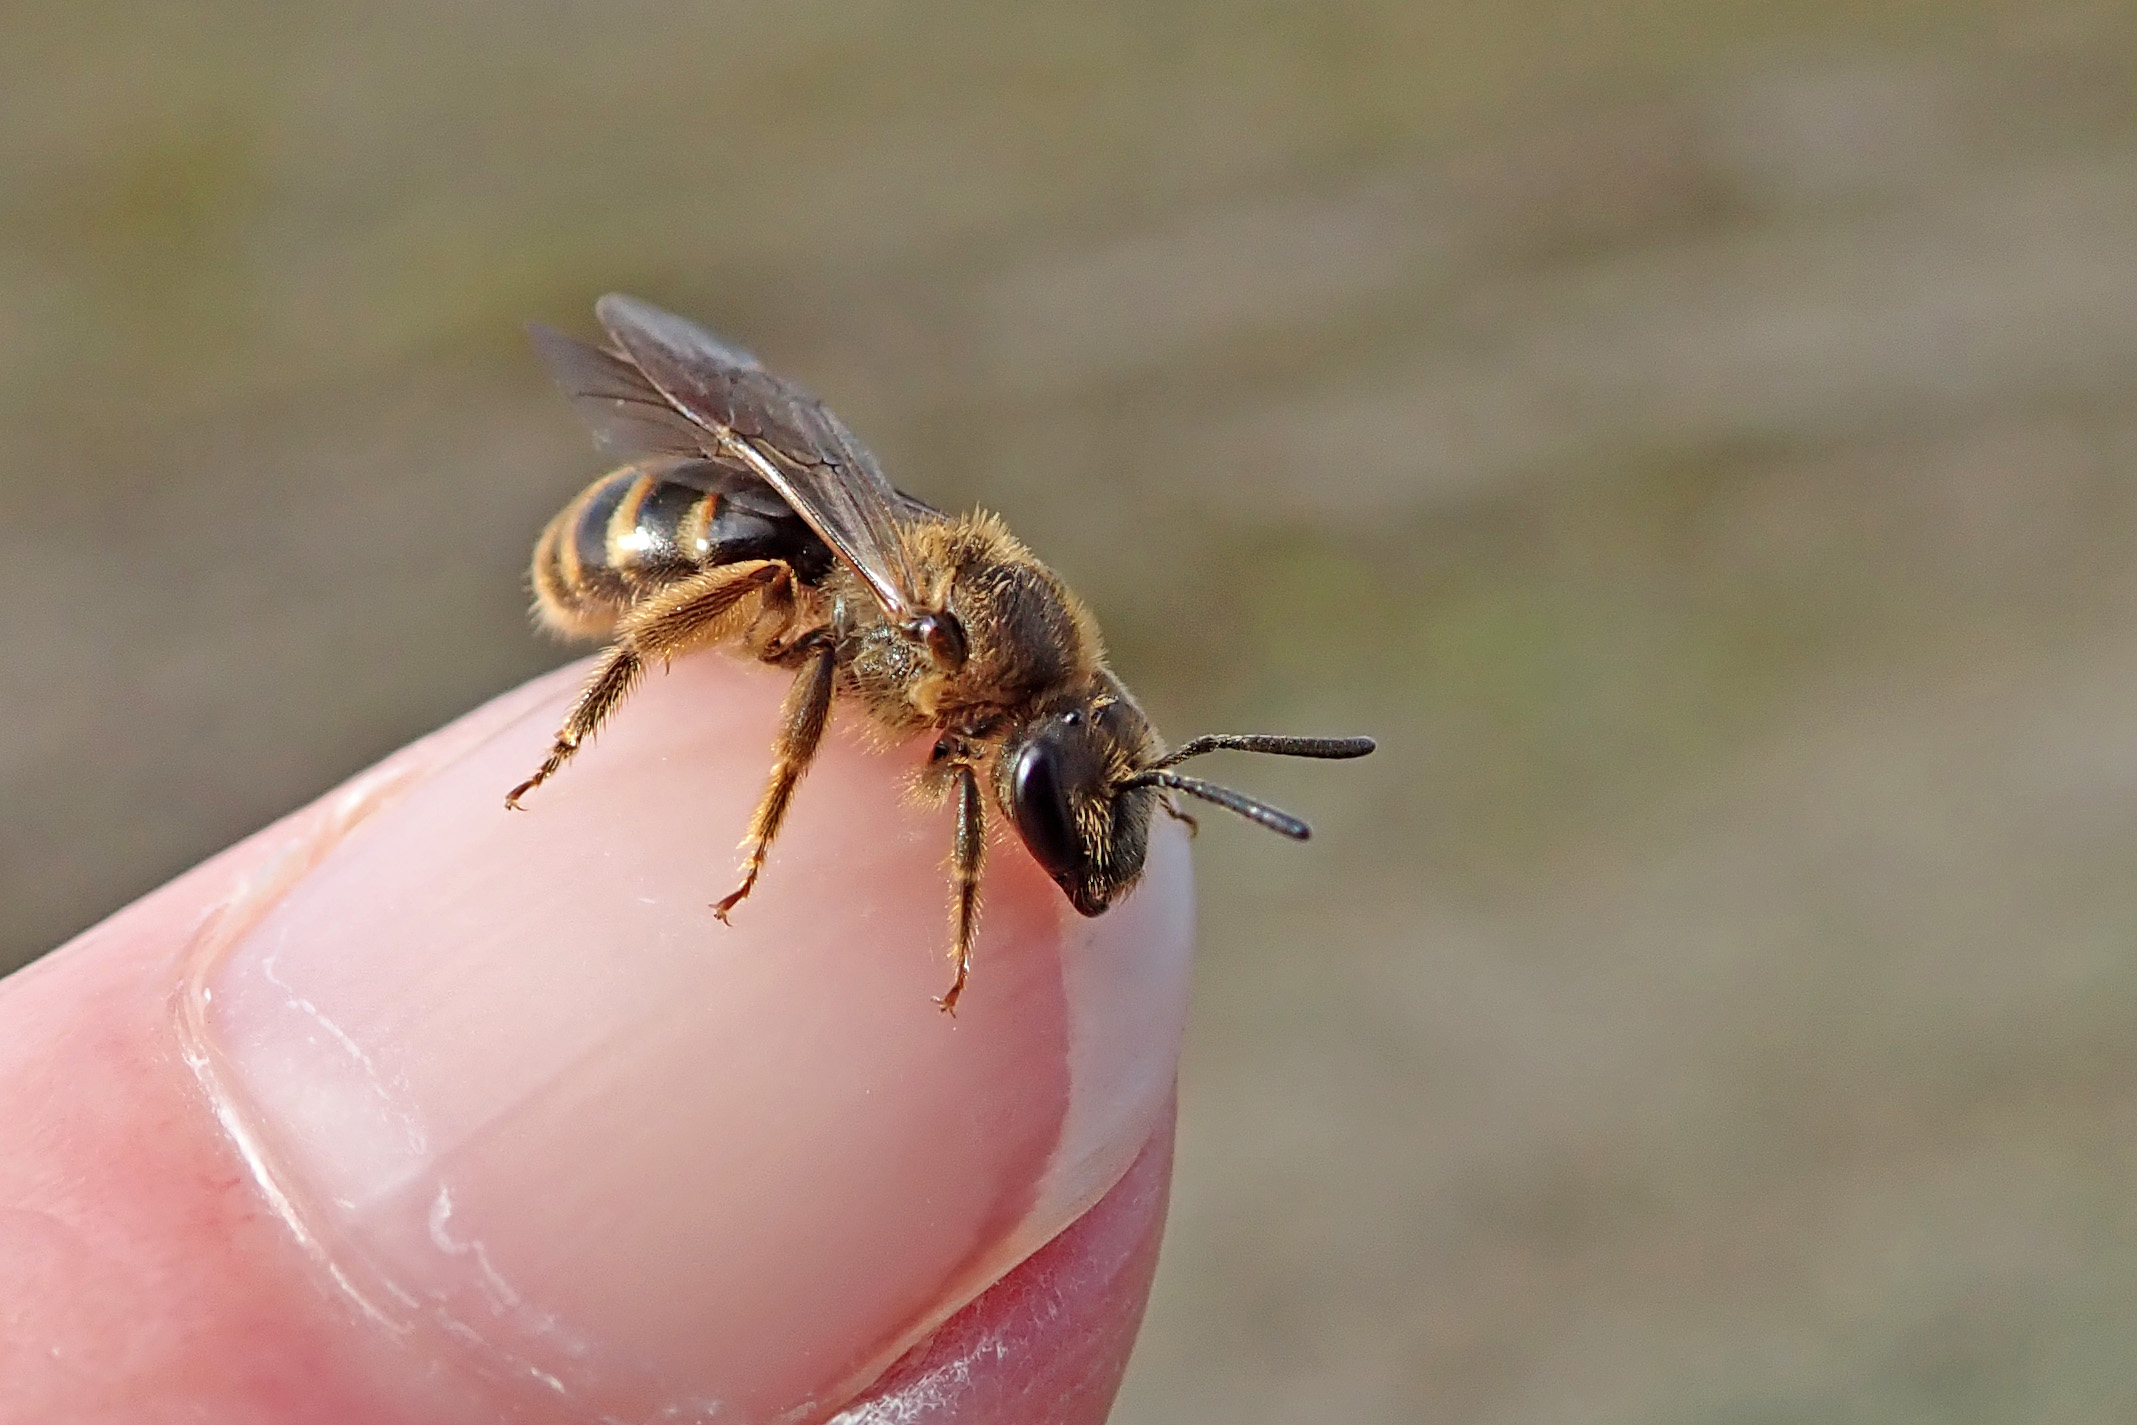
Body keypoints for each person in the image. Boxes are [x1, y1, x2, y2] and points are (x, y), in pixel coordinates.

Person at [0, 655, 1194, 1423]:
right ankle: (579, 753)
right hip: (688, 550)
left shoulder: (1005, 690)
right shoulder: (924, 651)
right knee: (807, 636)